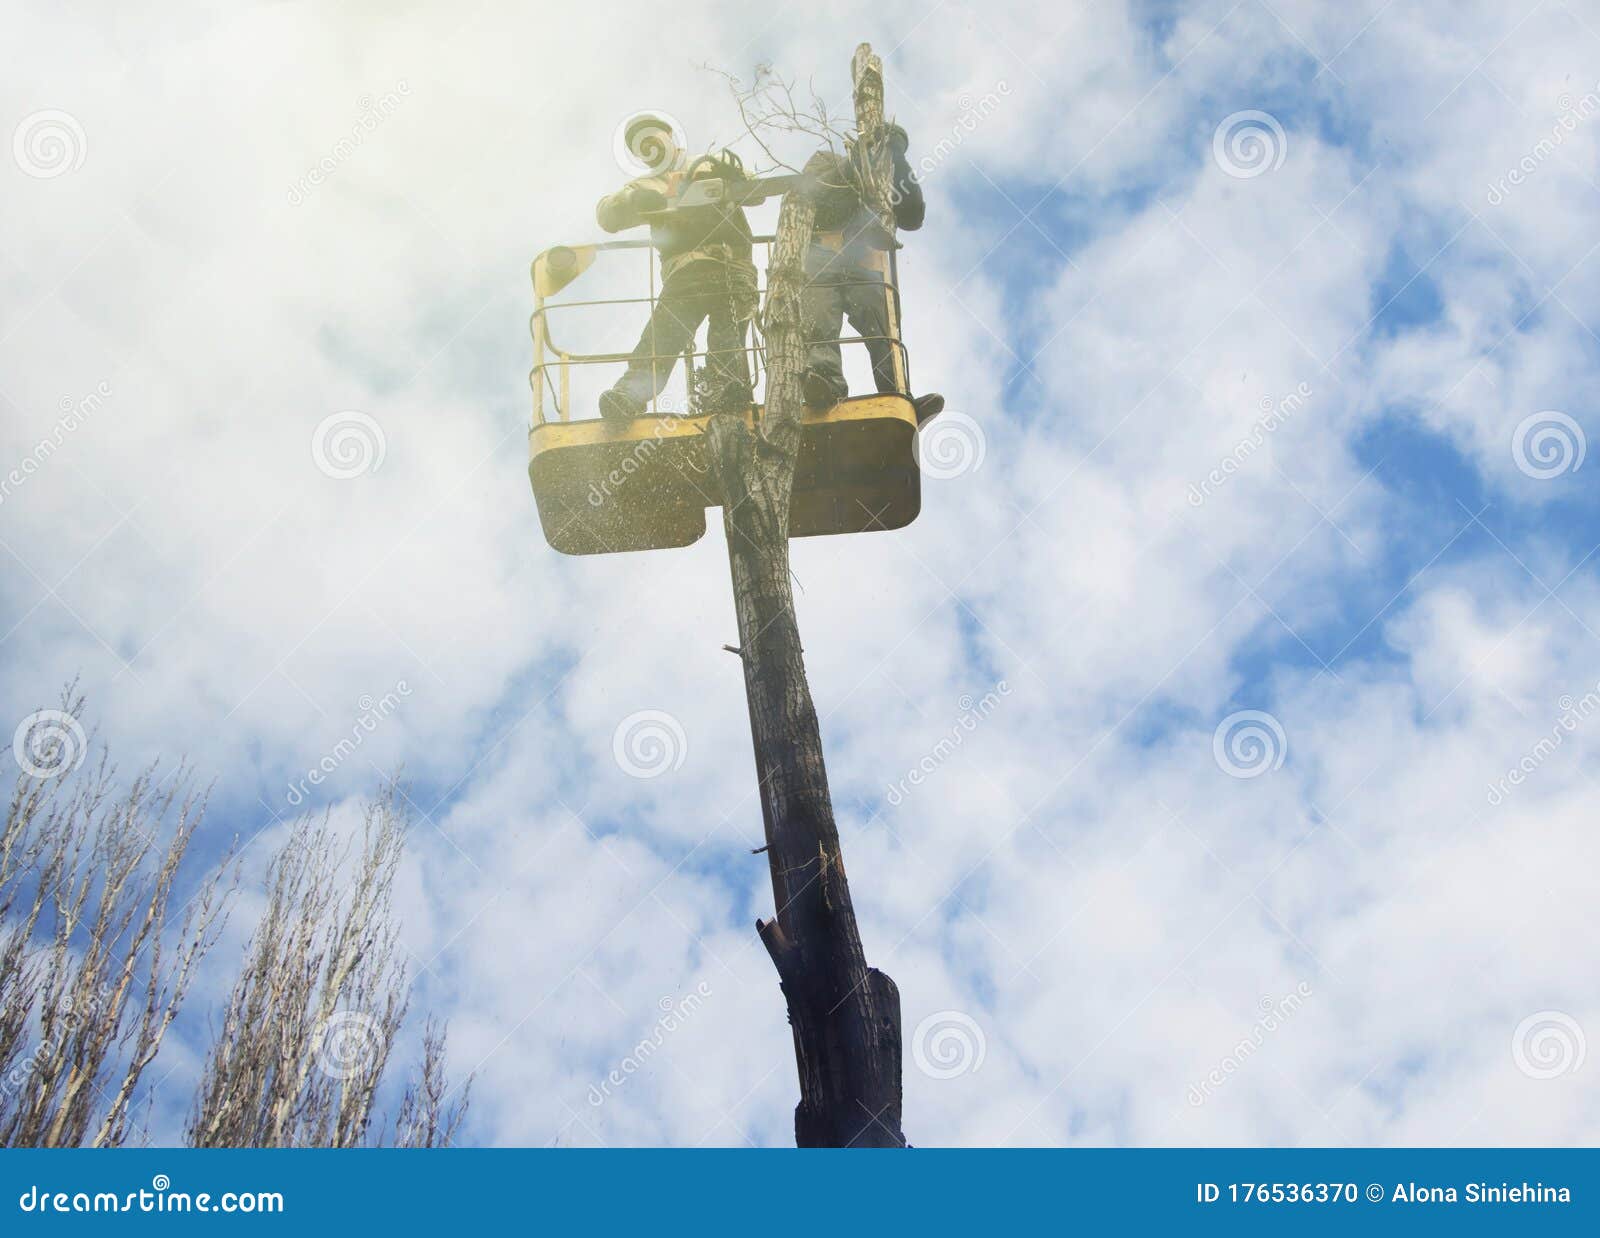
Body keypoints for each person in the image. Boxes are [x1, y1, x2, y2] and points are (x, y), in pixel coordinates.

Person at [594, 118, 758, 421]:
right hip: (685, 273)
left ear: (670, 136)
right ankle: (629, 396)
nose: (649, 149)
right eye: (641, 148)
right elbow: (607, 217)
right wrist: (632, 200)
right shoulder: (646, 186)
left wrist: (733, 178)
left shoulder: (710, 164)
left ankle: (725, 393)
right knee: (662, 338)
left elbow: (755, 189)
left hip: (731, 265)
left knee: (728, 339)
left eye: (653, 139)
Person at [799, 123, 944, 423]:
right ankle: (825, 385)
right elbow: (814, 192)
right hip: (821, 258)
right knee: (820, 322)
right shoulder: (826, 162)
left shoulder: (882, 177)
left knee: (882, 328)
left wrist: (896, 154)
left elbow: (913, 215)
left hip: (862, 260)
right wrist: (856, 167)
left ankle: (896, 392)